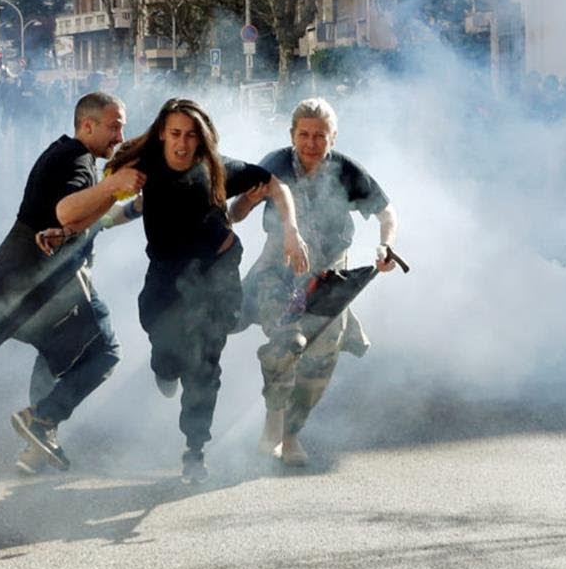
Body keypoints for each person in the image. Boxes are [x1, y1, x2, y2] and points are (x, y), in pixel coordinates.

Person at [101, 98, 309, 482]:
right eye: (176, 134)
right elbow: (108, 187)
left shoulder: (218, 169)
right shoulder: (143, 165)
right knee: (163, 343)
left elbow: (276, 186)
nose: (182, 144)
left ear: (201, 139)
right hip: (166, 275)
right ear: (163, 132)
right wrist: (91, 216)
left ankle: (194, 451)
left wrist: (291, 231)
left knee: (205, 365)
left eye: (191, 136)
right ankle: (165, 366)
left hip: (217, 271)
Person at [0, 91, 144, 475]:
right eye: (114, 127)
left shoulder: (66, 155)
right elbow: (69, 209)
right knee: (105, 352)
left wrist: (131, 206)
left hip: (21, 285)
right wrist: (116, 185)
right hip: (46, 286)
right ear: (87, 125)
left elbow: (85, 218)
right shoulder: (76, 161)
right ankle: (41, 420)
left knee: (54, 354)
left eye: (122, 127)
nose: (119, 136)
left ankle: (37, 442)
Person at [231, 97, 398, 467]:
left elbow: (387, 211)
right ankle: (272, 423)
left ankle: (291, 433)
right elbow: (236, 213)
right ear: (292, 135)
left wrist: (385, 244)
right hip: (280, 271)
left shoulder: (346, 170)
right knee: (287, 344)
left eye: (320, 136)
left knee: (321, 359)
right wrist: (249, 199)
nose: (311, 143)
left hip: (330, 278)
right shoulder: (273, 164)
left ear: (333, 138)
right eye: (303, 135)